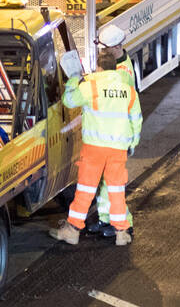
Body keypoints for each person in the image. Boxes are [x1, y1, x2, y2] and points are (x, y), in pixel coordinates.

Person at [51, 45, 142, 247]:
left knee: (85, 190)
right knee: (116, 191)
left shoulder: (91, 87)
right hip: (118, 148)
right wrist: (132, 143)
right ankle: (122, 233)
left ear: (99, 68)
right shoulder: (128, 91)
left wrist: (73, 80)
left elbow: (69, 101)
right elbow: (136, 119)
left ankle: (73, 231)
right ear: (115, 68)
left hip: (94, 149)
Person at [86, 25, 137, 239]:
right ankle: (105, 219)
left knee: (113, 184)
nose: (101, 52)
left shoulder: (121, 74)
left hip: (115, 138)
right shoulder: (117, 66)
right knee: (106, 183)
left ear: (116, 47)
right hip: (109, 137)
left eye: (104, 48)